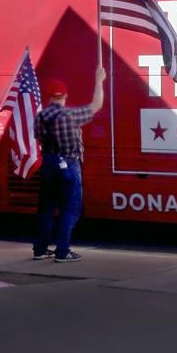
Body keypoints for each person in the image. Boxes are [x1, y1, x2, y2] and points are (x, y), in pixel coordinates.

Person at [33, 66, 106, 263]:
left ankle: (40, 250)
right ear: (64, 96)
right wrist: (99, 80)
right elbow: (96, 105)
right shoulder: (70, 116)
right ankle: (63, 251)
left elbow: (38, 137)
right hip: (68, 163)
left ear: (49, 97)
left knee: (46, 208)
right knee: (70, 208)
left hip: (48, 162)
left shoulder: (40, 117)